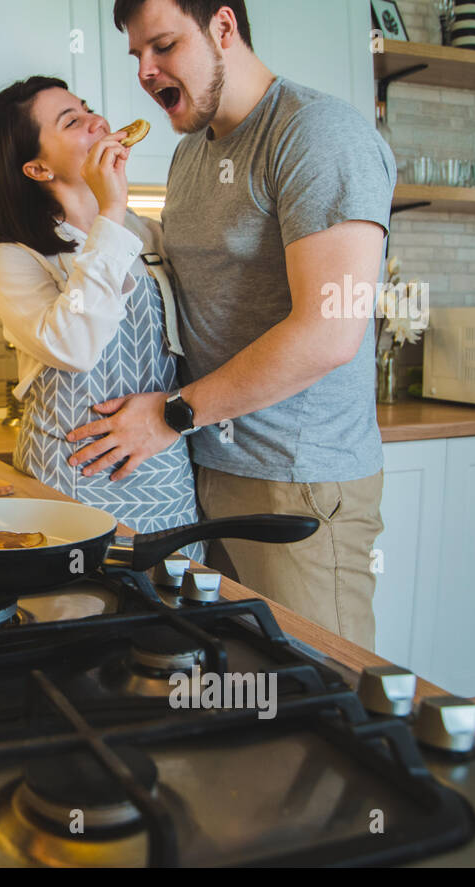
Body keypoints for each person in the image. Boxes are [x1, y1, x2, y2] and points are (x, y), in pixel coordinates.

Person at [68, 0, 396, 649]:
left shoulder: (317, 135)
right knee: (238, 692)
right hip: (209, 476)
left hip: (298, 487)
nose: (145, 70)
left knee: (317, 692)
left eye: (162, 45)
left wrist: (169, 414)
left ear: (224, 26)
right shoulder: (193, 152)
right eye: (136, 54)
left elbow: (328, 332)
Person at [0, 76, 202, 558]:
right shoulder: (12, 254)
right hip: (67, 480)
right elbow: (74, 347)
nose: (99, 121)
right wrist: (110, 210)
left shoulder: (149, 234)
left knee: (173, 622)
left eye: (89, 108)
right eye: (72, 121)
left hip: (162, 479)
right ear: (37, 168)